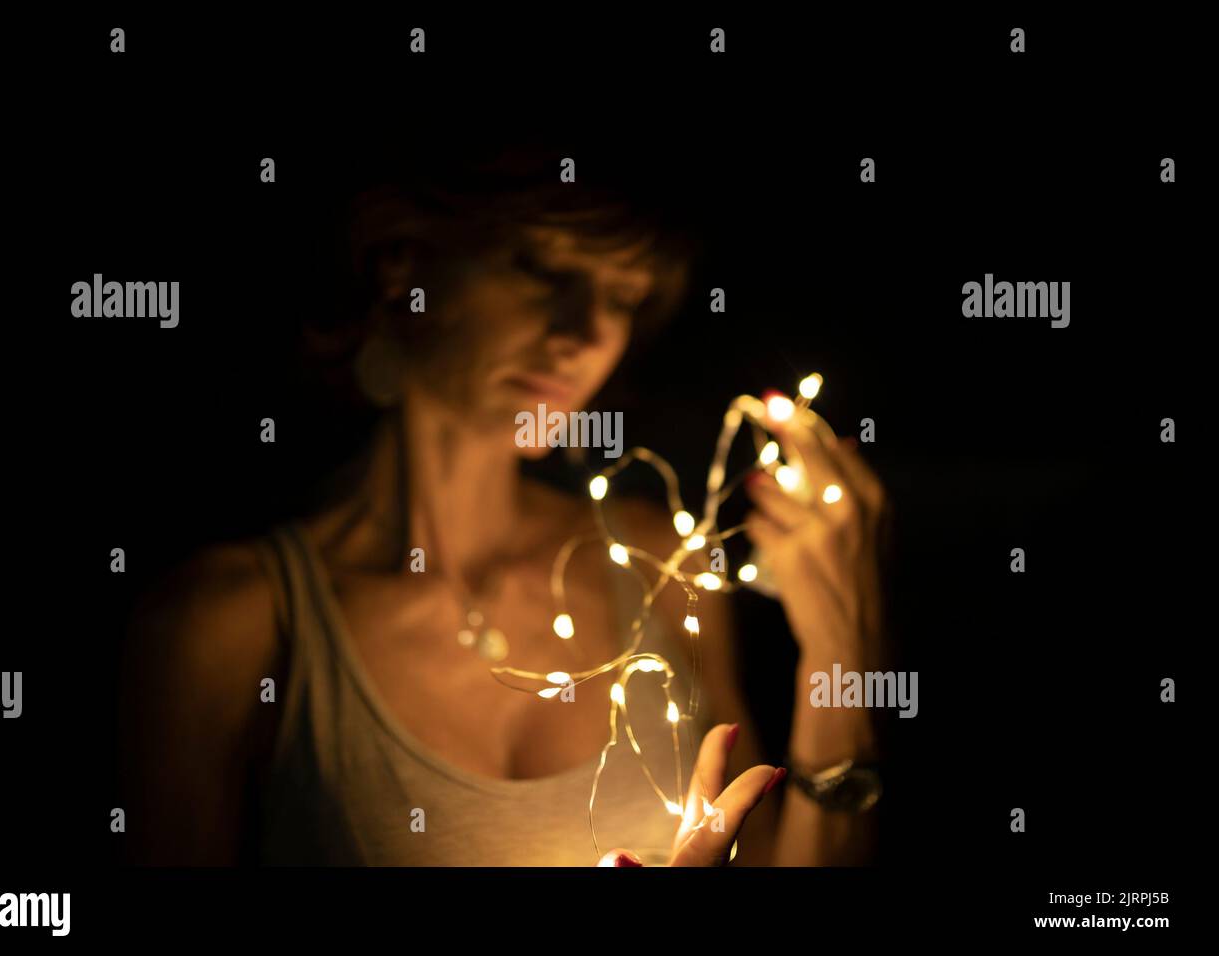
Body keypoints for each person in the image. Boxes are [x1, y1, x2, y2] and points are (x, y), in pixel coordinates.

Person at [118, 146, 888, 866]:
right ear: (403, 263)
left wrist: (842, 648)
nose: (585, 334)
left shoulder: (665, 571)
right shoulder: (228, 628)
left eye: (622, 297)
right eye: (544, 269)